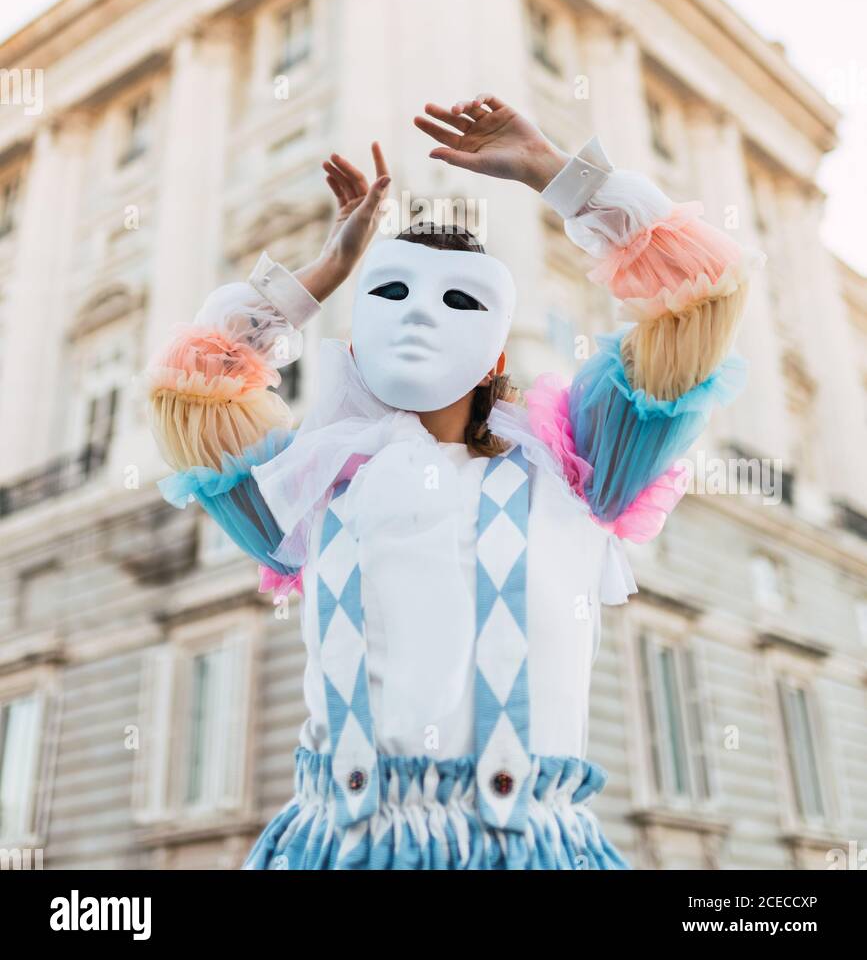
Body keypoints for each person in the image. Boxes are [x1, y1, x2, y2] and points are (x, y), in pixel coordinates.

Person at [146, 94, 760, 870]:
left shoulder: (576, 470)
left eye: (459, 300)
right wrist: (326, 272)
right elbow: (187, 393)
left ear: (497, 357)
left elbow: (701, 296)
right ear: (355, 345)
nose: (417, 317)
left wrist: (560, 177)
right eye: (390, 293)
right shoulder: (313, 492)